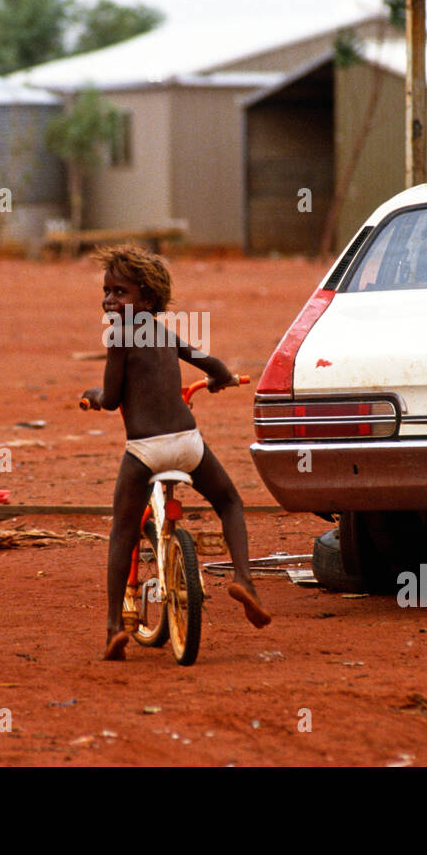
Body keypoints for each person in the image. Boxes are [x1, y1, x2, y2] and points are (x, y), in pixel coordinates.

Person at [81, 245, 269, 661]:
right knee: (230, 501)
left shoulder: (118, 338)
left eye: (120, 293)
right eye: (107, 291)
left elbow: (112, 400)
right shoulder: (167, 333)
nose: (110, 300)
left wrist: (93, 395)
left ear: (147, 298)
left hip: (146, 450)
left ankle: (114, 627)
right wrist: (220, 381)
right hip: (188, 443)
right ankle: (244, 579)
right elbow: (215, 366)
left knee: (123, 531)